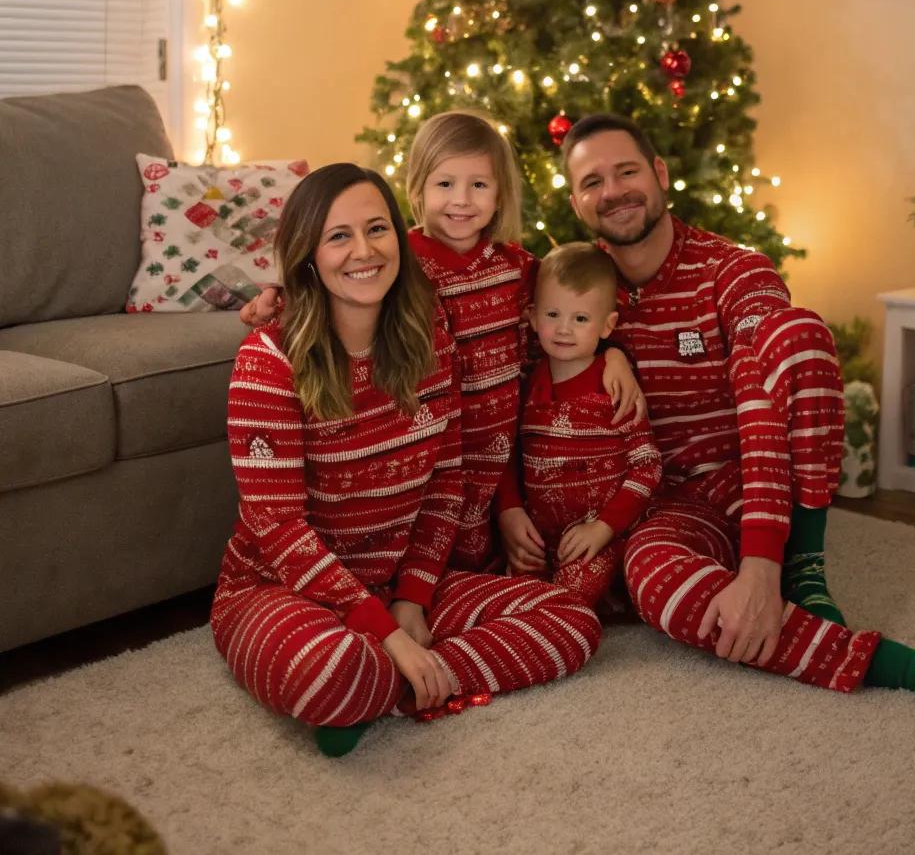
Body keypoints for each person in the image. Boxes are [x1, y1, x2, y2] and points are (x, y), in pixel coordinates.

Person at [558, 113, 915, 723]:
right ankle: (908, 667)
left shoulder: (732, 269)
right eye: (591, 182)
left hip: (755, 479)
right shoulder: (573, 294)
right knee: (654, 586)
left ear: (659, 174)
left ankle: (803, 566)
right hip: (666, 504)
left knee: (795, 332)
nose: (612, 192)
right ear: (577, 202)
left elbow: (762, 397)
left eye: (626, 171)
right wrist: (607, 348)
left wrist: (764, 564)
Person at [212, 163, 601, 757]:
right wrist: (387, 633)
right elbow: (278, 529)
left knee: (572, 622)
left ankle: (394, 686)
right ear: (307, 255)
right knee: (334, 670)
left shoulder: (428, 340)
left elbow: (446, 482)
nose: (364, 251)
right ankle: (385, 678)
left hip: (399, 581)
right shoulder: (268, 361)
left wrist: (412, 600)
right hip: (278, 590)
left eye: (377, 229)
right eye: (339, 236)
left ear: (400, 236)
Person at [241, 109, 643, 572]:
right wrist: (274, 300)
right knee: (432, 562)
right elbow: (336, 292)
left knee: (497, 562)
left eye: (479, 185)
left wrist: (613, 355)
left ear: (499, 195)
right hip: (423, 456)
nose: (462, 200)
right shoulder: (397, 262)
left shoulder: (517, 270)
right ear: (417, 190)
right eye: (445, 184)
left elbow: (572, 320)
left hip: (500, 458)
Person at [495, 243, 662, 607]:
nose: (564, 329)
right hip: (540, 536)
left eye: (581, 319)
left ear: (608, 325)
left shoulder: (615, 386)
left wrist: (603, 528)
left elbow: (647, 466)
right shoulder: (526, 382)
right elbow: (506, 455)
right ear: (534, 318)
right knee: (513, 595)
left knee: (569, 598)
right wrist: (512, 509)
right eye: (553, 314)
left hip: (599, 537)